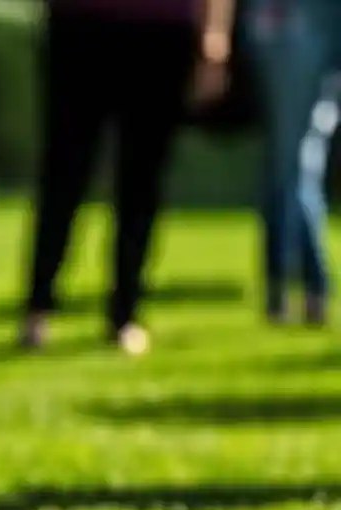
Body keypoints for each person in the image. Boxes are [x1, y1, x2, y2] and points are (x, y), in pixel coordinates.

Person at [20, 0, 234, 356]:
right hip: (83, 22)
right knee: (64, 173)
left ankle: (124, 313)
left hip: (161, 29)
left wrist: (215, 35)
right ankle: (38, 307)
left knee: (142, 180)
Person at [244, 0, 338, 326]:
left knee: (292, 168)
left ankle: (297, 285)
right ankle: (293, 287)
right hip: (281, 33)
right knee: (290, 167)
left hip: (303, 37)